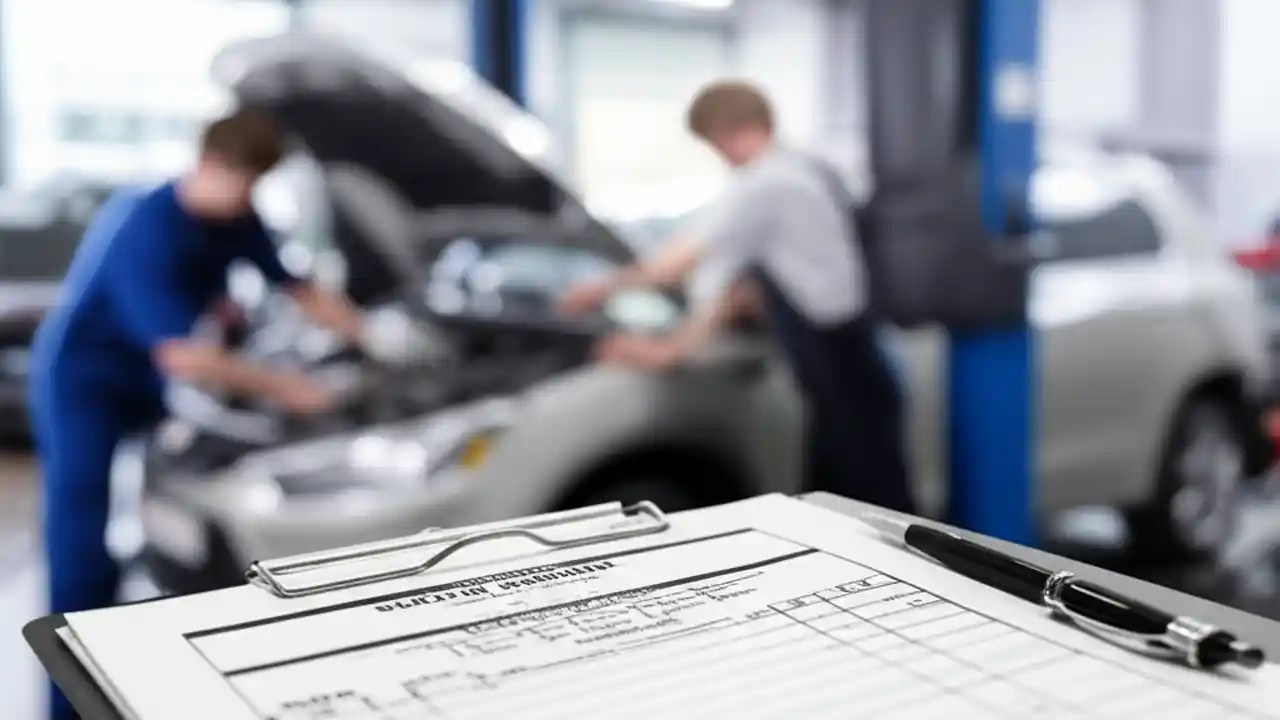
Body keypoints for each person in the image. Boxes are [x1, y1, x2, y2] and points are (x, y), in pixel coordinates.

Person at [29, 110, 371, 720]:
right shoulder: (146, 225)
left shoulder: (237, 219)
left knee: (169, 520)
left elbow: (298, 287)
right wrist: (285, 388)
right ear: (209, 163)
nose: (249, 197)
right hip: (86, 384)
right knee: (81, 541)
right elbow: (184, 355)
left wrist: (371, 338)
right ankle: (66, 704)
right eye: (243, 181)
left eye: (258, 185)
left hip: (154, 385)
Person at [560, 80, 913, 514]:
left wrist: (597, 291)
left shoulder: (768, 184)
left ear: (734, 131)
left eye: (714, 143)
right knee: (838, 503)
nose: (719, 155)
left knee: (867, 513)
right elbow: (735, 287)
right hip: (848, 370)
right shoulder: (803, 168)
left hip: (847, 373)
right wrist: (677, 346)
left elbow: (677, 264)